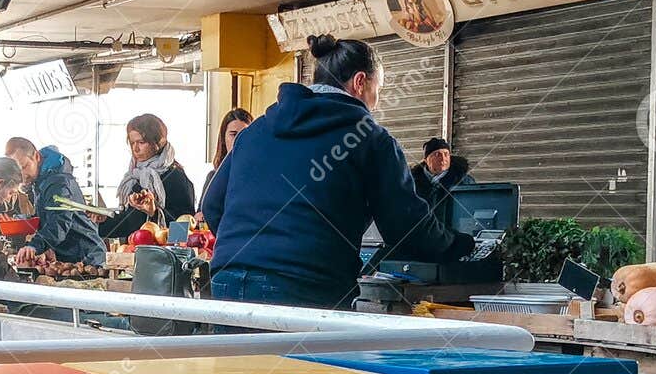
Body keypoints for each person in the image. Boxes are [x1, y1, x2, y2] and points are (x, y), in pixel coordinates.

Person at [202, 34, 474, 308]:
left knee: (239, 352)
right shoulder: (369, 138)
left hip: (229, 280)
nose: (376, 101)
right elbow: (405, 226)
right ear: (360, 82)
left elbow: (213, 205)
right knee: (297, 353)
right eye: (377, 89)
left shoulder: (257, 130)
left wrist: (248, 250)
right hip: (305, 287)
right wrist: (463, 246)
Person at [4, 137, 105, 270]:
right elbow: (48, 216)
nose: (22, 176)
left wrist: (34, 246)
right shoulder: (41, 181)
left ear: (37, 156)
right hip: (68, 257)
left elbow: (59, 221)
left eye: (24, 167)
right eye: (17, 171)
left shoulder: (58, 183)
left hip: (86, 258)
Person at [98, 113, 196, 240]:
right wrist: (103, 219)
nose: (135, 149)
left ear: (157, 143)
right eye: (132, 143)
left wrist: (154, 213)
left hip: (163, 256)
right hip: (134, 251)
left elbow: (185, 229)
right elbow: (128, 225)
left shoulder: (175, 176)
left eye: (141, 142)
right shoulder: (133, 177)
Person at [410, 137, 475, 231]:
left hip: (452, 237)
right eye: (437, 154)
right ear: (425, 160)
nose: (443, 159)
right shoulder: (410, 182)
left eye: (446, 154)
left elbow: (470, 214)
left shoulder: (464, 181)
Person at [199, 108, 253, 210]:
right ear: (224, 138)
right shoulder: (213, 178)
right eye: (233, 134)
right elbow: (200, 213)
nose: (239, 140)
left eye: (244, 135)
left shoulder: (259, 177)